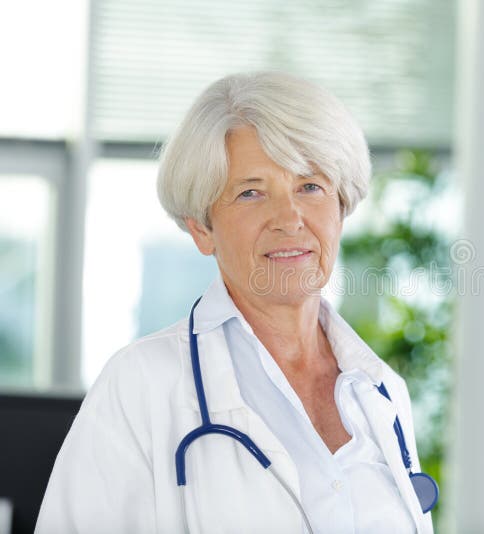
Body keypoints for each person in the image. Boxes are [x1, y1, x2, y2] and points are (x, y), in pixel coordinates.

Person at [36, 72, 436, 533]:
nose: (289, 219)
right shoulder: (141, 385)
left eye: (310, 187)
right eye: (251, 192)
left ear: (341, 207)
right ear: (201, 228)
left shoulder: (380, 391)